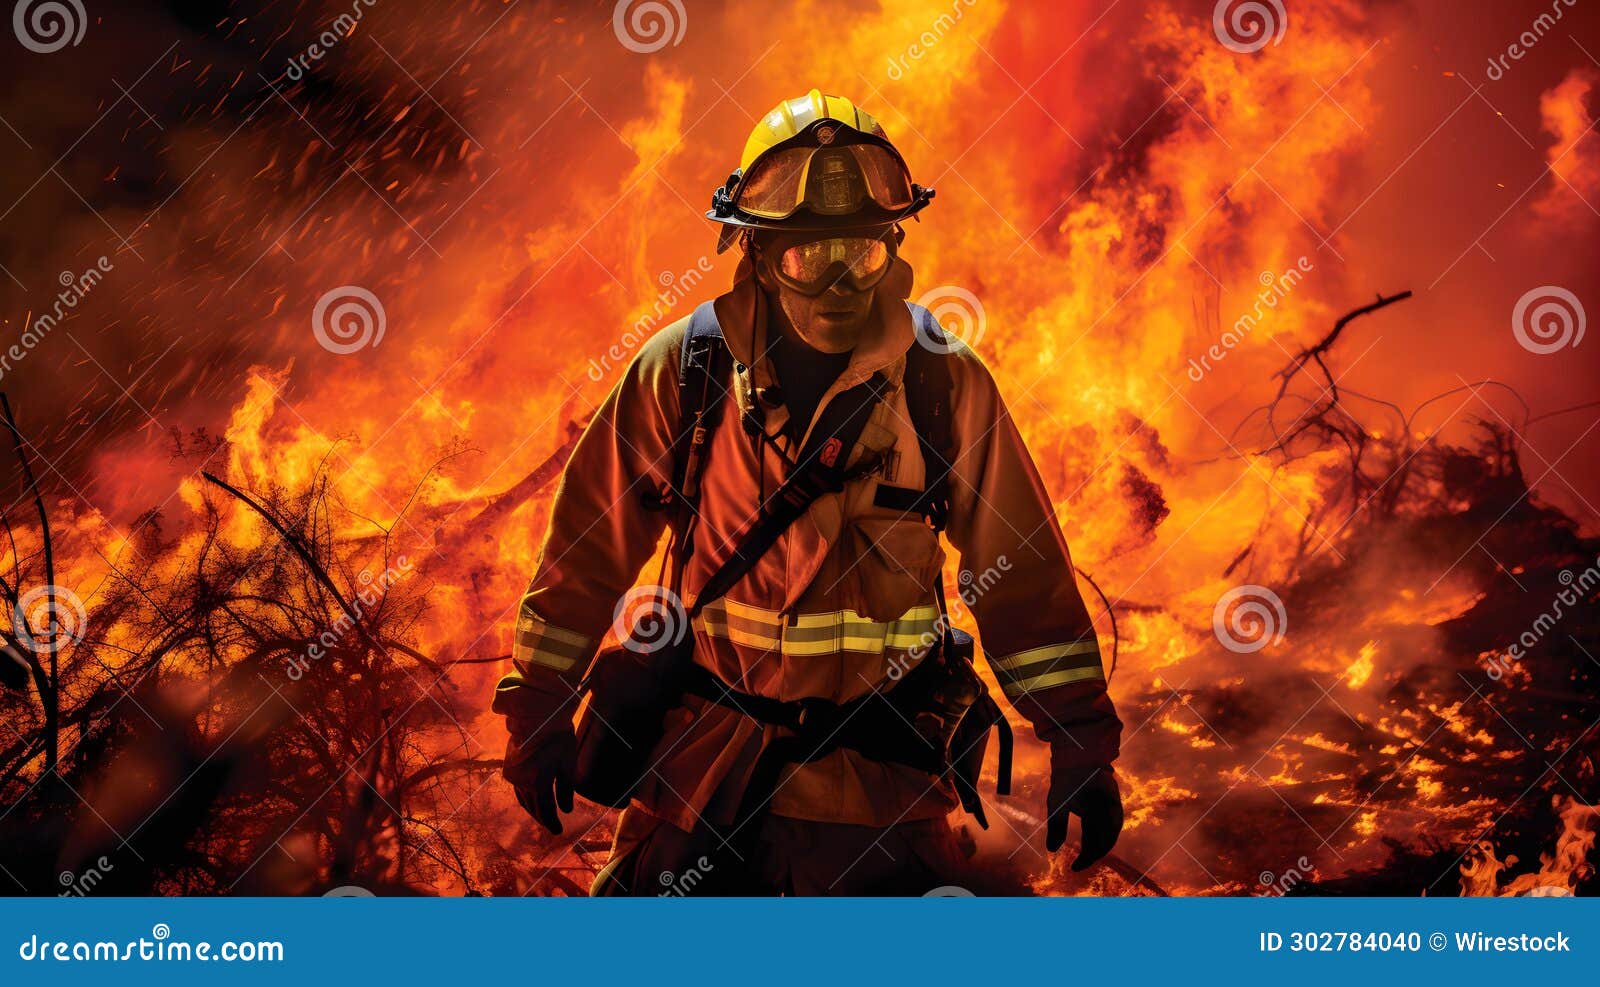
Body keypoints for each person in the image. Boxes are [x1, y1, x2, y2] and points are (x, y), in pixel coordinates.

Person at [493, 90, 1122, 895]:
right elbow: (586, 550)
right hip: (700, 787)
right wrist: (540, 704)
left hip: (882, 810)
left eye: (858, 252)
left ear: (890, 249)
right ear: (755, 254)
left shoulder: (940, 384)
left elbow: (1022, 577)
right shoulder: (686, 375)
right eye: (806, 255)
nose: (837, 282)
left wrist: (1078, 742)